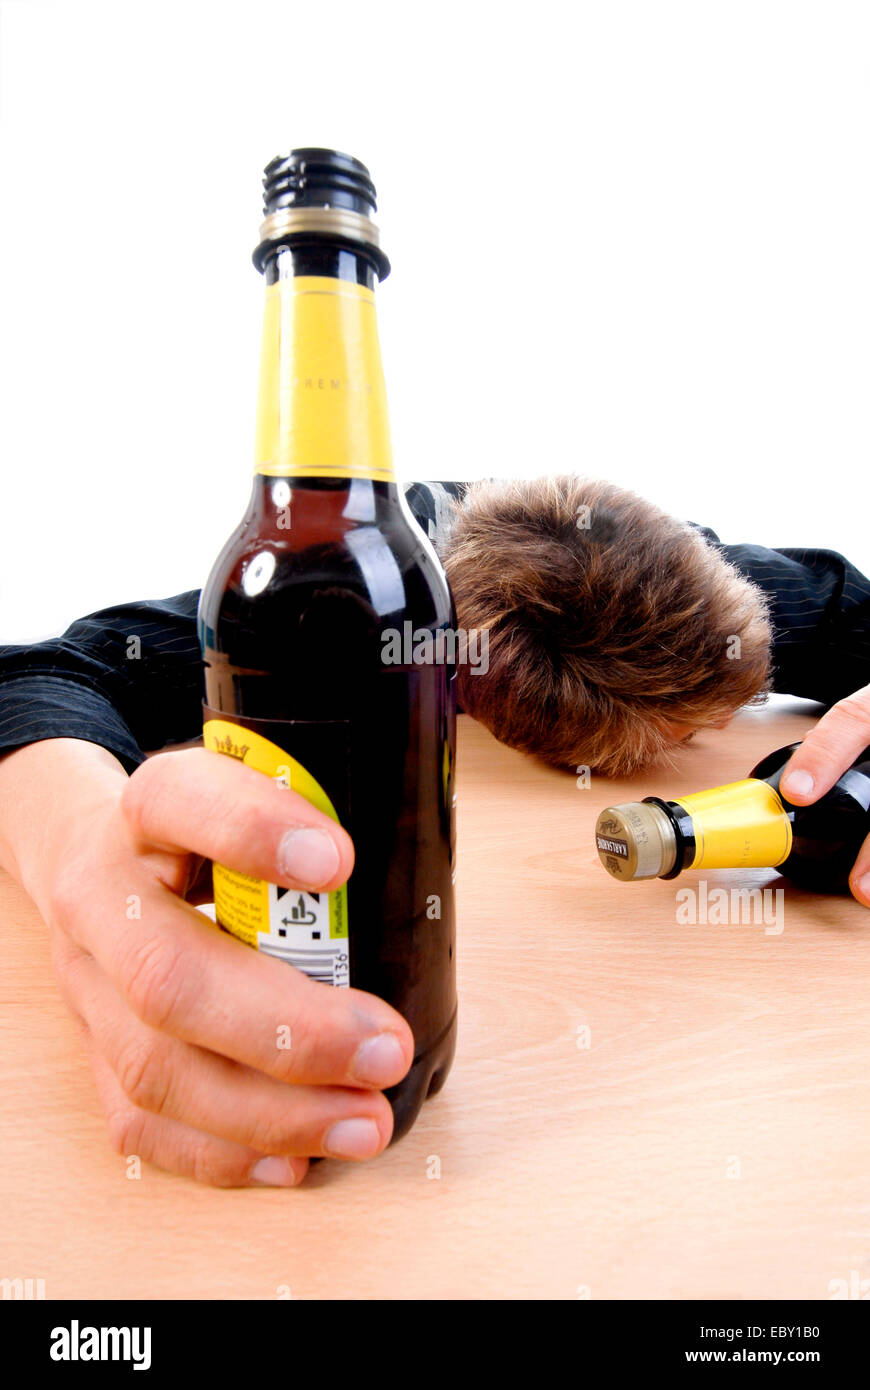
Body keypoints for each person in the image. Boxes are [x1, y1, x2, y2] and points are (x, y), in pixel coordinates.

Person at [0, 475, 868, 1189]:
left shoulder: (706, 578)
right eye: (682, 744)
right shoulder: (346, 589)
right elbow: (45, 669)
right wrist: (78, 844)